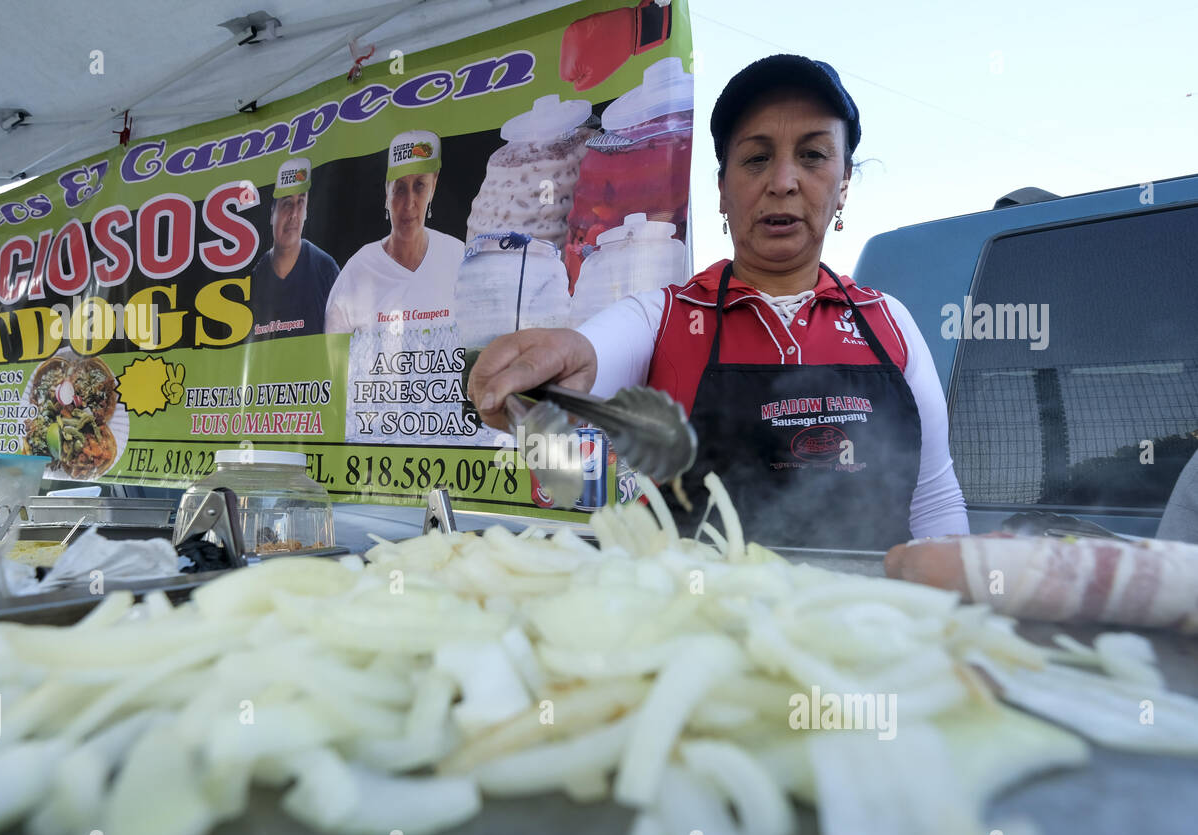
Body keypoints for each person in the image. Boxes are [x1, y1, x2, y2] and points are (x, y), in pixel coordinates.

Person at [469, 54, 969, 549]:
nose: (783, 182)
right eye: (756, 158)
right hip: (701, 622)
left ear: (843, 186)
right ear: (722, 191)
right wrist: (556, 371)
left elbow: (935, 503)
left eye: (813, 155)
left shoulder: (888, 323)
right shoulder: (663, 318)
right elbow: (590, 354)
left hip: (871, 623)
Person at [323, 130, 465, 337]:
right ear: (387, 191)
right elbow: (334, 356)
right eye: (400, 188)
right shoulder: (360, 268)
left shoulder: (457, 257)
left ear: (433, 186)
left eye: (419, 186)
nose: (409, 204)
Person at [249, 157, 340, 338]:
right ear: (272, 214)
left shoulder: (326, 270)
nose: (294, 214)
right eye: (287, 203)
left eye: (300, 203)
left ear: (306, 211)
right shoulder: (257, 275)